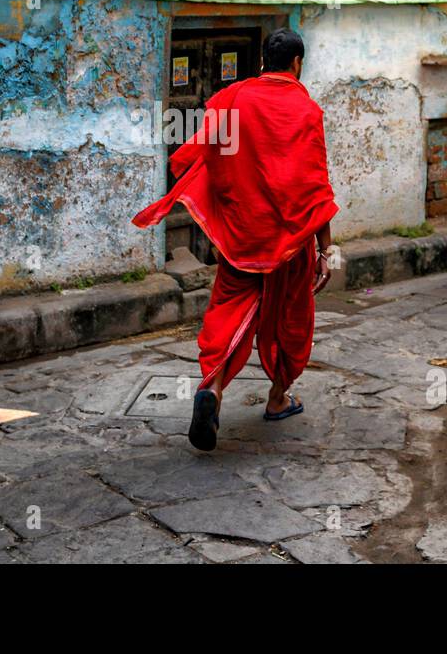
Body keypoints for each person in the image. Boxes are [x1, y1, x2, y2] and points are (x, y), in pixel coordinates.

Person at [133, 28, 338, 451]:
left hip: (241, 239)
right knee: (290, 320)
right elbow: (315, 185)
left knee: (227, 313)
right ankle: (278, 398)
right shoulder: (306, 110)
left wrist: (223, 205)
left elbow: (206, 155)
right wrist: (325, 248)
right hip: (290, 241)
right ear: (297, 63)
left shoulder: (232, 99)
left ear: (264, 60)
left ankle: (213, 388)